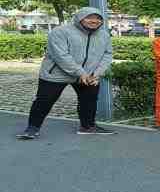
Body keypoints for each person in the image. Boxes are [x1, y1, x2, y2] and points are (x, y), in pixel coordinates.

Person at [16, 7, 115, 140]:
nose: (94, 21)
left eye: (98, 18)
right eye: (89, 17)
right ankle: (32, 128)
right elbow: (61, 56)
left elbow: (107, 55)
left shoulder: (104, 35)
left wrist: (96, 74)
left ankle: (88, 127)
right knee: (44, 101)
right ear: (79, 18)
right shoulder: (60, 31)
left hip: (88, 74)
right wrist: (81, 73)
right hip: (56, 74)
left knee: (89, 100)